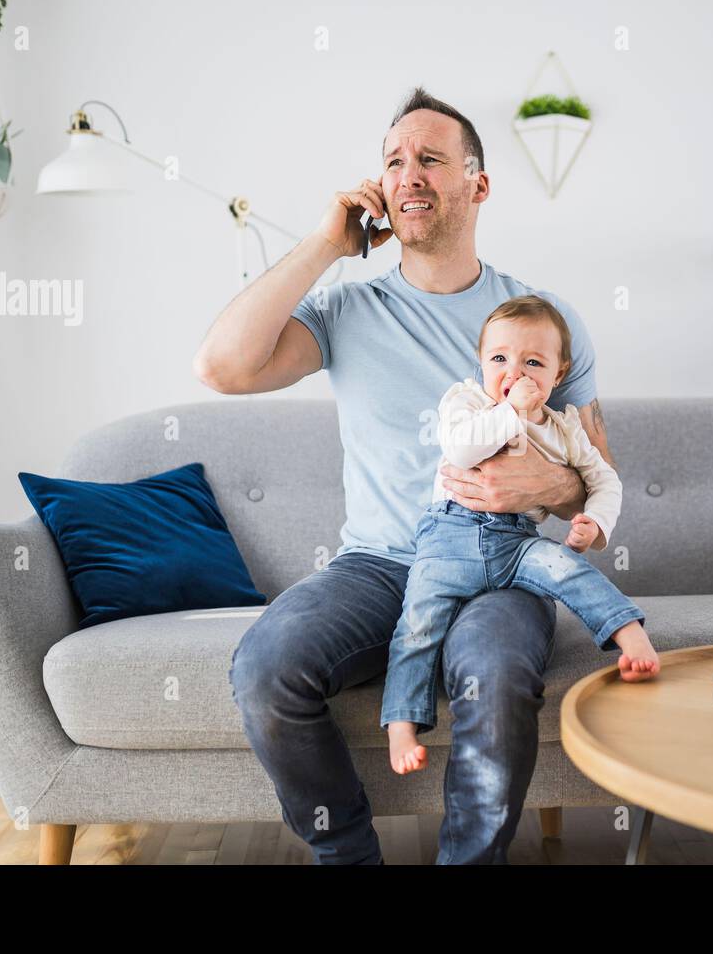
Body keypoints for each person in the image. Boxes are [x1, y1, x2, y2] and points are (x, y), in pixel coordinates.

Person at [195, 86, 619, 864]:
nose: (408, 174)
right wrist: (325, 243)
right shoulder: (345, 309)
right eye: (393, 162)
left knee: (493, 677)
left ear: (478, 185)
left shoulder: (542, 324)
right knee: (265, 668)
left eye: (430, 158)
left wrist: (544, 489)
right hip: (377, 567)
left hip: (502, 570)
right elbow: (221, 367)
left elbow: (595, 477)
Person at [382, 295, 660, 776]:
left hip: (516, 541)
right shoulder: (466, 402)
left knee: (569, 570)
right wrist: (511, 410)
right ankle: (402, 723)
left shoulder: (564, 428)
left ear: (559, 372)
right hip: (449, 536)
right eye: (499, 359)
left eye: (533, 362)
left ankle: (630, 635)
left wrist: (596, 521)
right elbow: (462, 448)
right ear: (480, 361)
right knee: (418, 625)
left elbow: (604, 479)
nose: (515, 371)